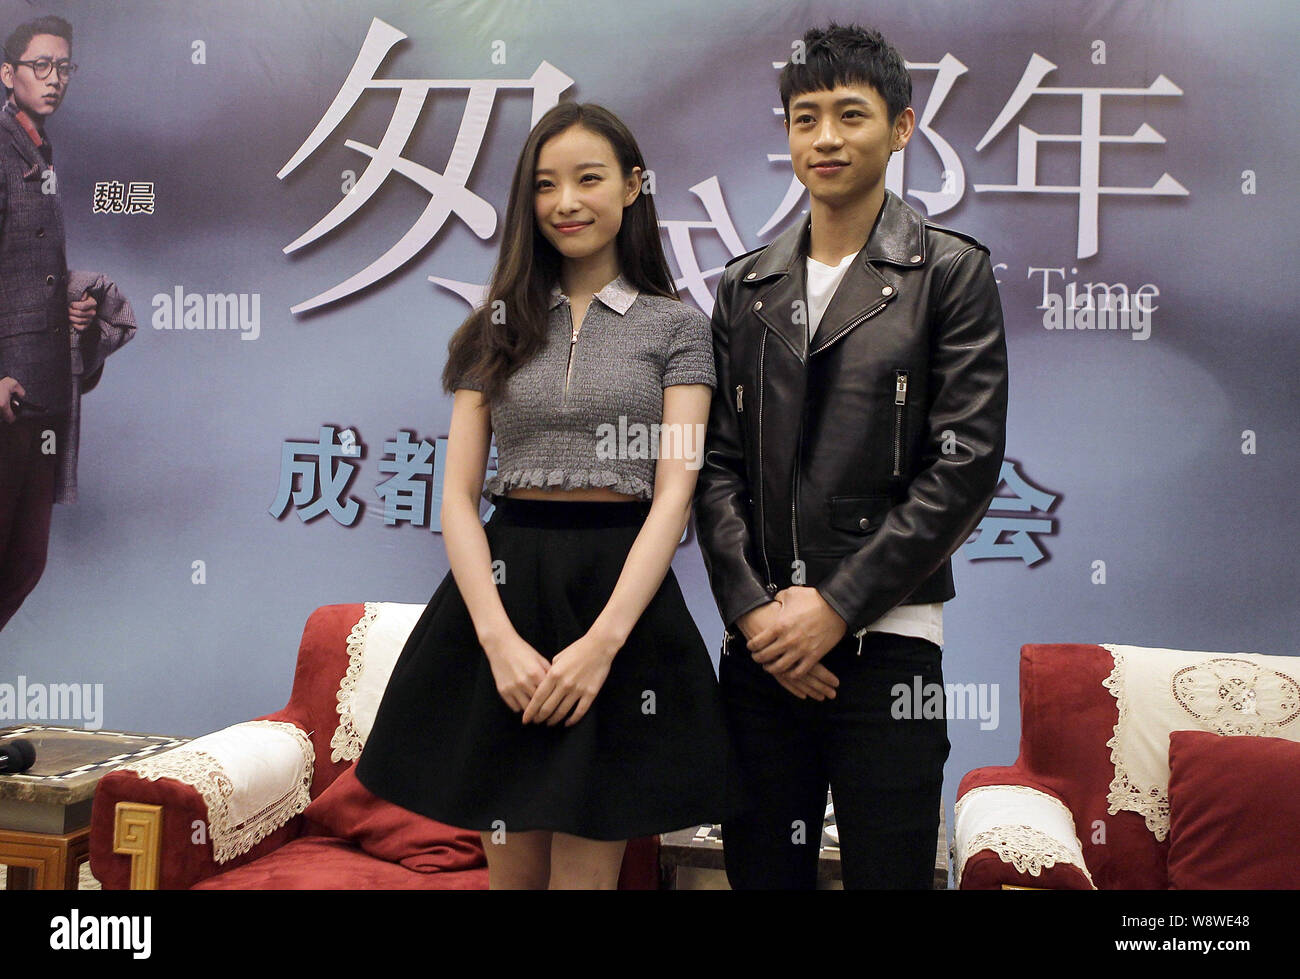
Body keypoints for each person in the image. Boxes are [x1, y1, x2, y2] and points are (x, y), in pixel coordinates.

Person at [356, 102, 734, 889]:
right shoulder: (493, 325)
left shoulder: (679, 328)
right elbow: (458, 499)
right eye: (546, 184)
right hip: (505, 596)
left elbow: (676, 494)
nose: (567, 201)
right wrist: (496, 641)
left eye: (589, 179)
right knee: (511, 875)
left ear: (633, 186)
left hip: (618, 602)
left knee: (587, 878)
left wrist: (601, 646)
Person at [694, 23, 1009, 889]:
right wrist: (757, 614)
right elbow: (713, 466)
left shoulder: (948, 272)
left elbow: (966, 464)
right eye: (804, 118)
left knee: (890, 874)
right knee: (763, 875)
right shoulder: (745, 285)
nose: (825, 137)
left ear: (901, 129)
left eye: (850, 114)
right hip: (760, 650)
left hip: (891, 643)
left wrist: (836, 605)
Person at [0, 15, 97, 633]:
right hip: (9, 392)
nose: (54, 78)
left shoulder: (37, 145)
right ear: (8, 74)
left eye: (64, 67)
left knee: (22, 557)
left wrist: (66, 309)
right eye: (41, 65)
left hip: (40, 390)